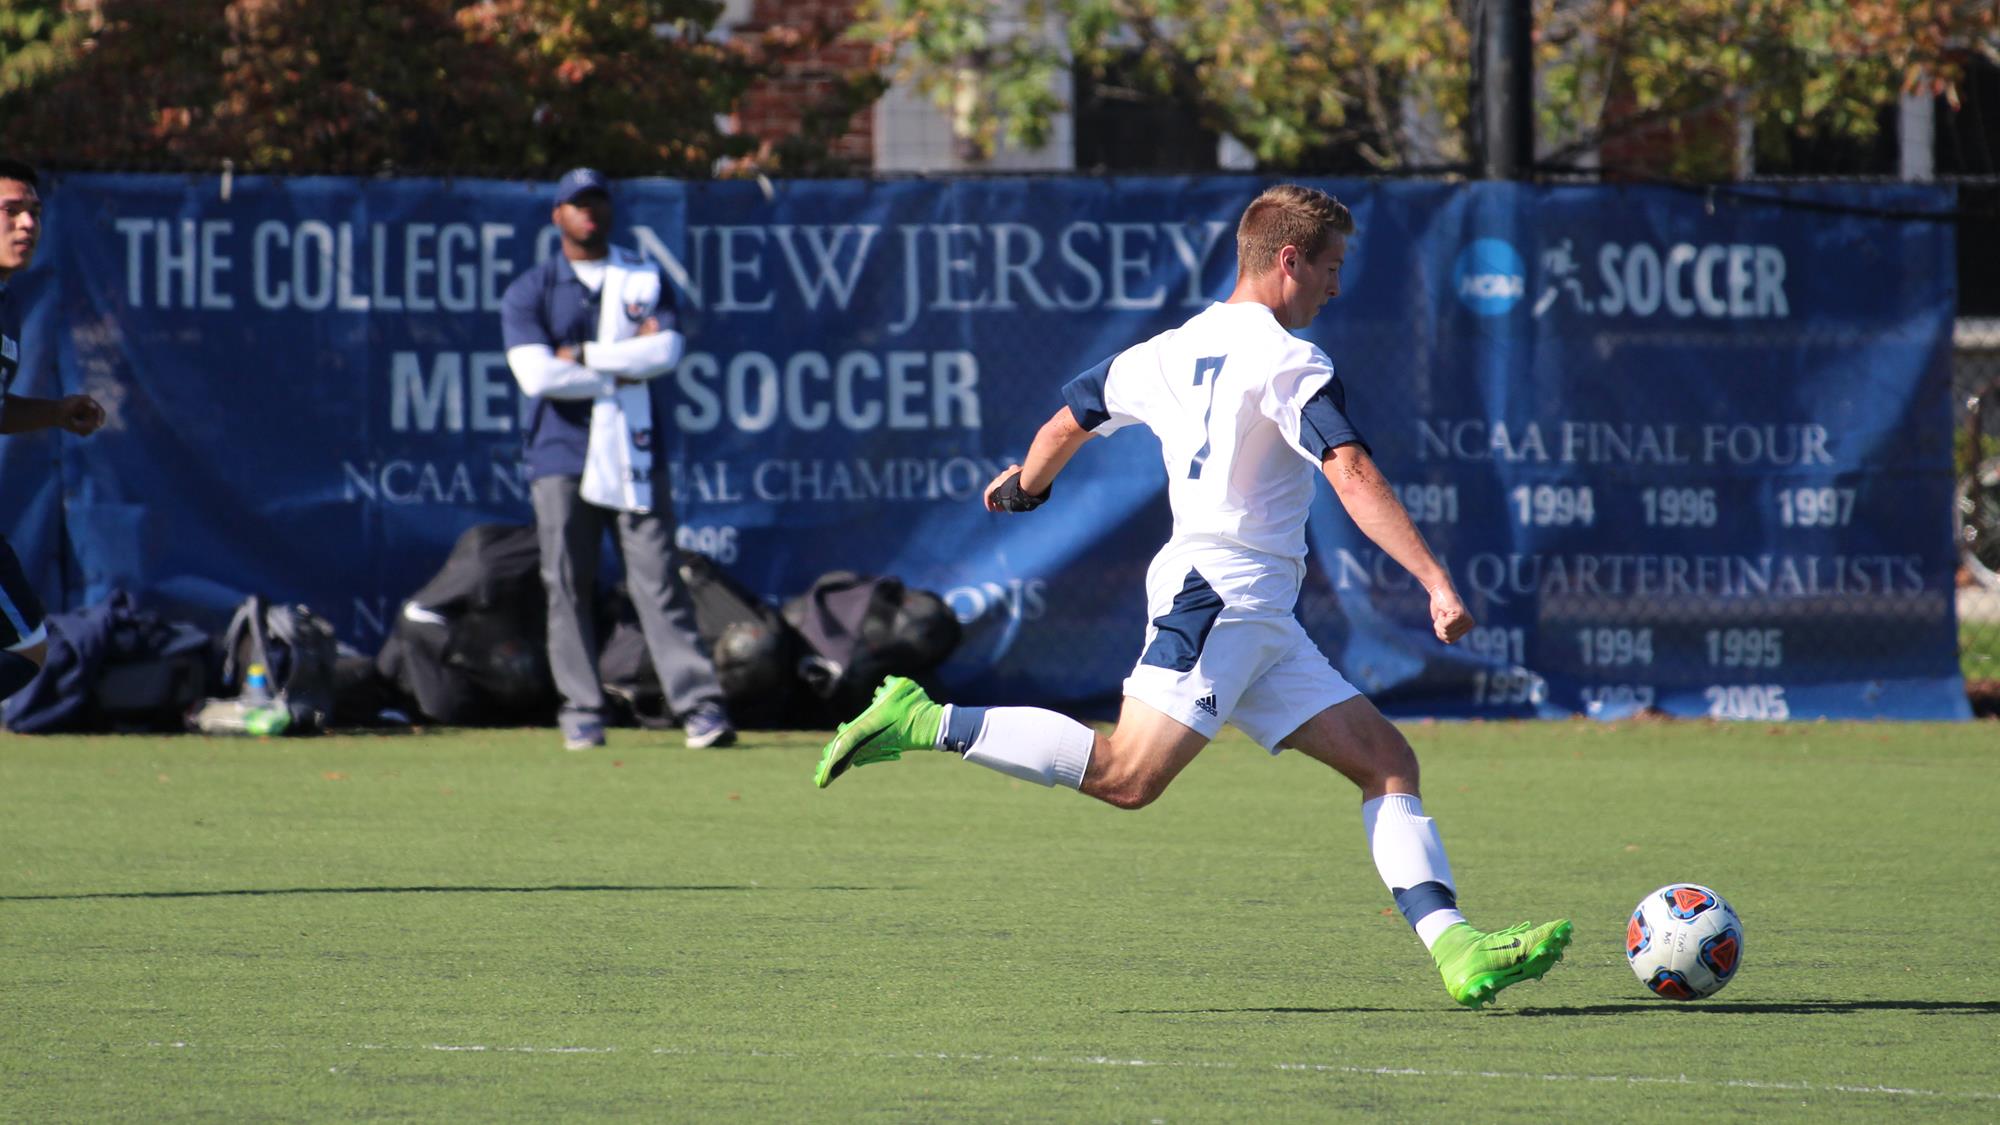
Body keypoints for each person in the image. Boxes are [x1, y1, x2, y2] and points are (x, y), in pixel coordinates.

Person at [814, 184, 1570, 1009]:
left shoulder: (1167, 350)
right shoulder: (1291, 360)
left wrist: (1026, 487)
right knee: (1127, 775)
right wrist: (1434, 580)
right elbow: (1349, 471)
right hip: (1221, 597)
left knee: (1388, 764)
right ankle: (922, 717)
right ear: (1290, 261)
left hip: (1256, 612)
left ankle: (1458, 950)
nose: (1335, 286)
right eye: (1330, 266)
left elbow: (1070, 416)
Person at [501, 168, 734, 751]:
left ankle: (698, 705)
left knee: (658, 577)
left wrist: (581, 354)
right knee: (567, 582)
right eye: (577, 204)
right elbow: (536, 374)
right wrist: (620, 363)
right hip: (560, 453)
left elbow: (665, 350)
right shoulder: (531, 289)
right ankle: (582, 708)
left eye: (598, 201)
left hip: (634, 451)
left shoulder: (643, 277)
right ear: (557, 215)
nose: (589, 213)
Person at [0, 159, 107, 702]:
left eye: (34, 213)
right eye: (10, 210)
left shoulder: (7, 306)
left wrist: (53, 412)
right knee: (24, 646)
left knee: (27, 648)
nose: (26, 225)